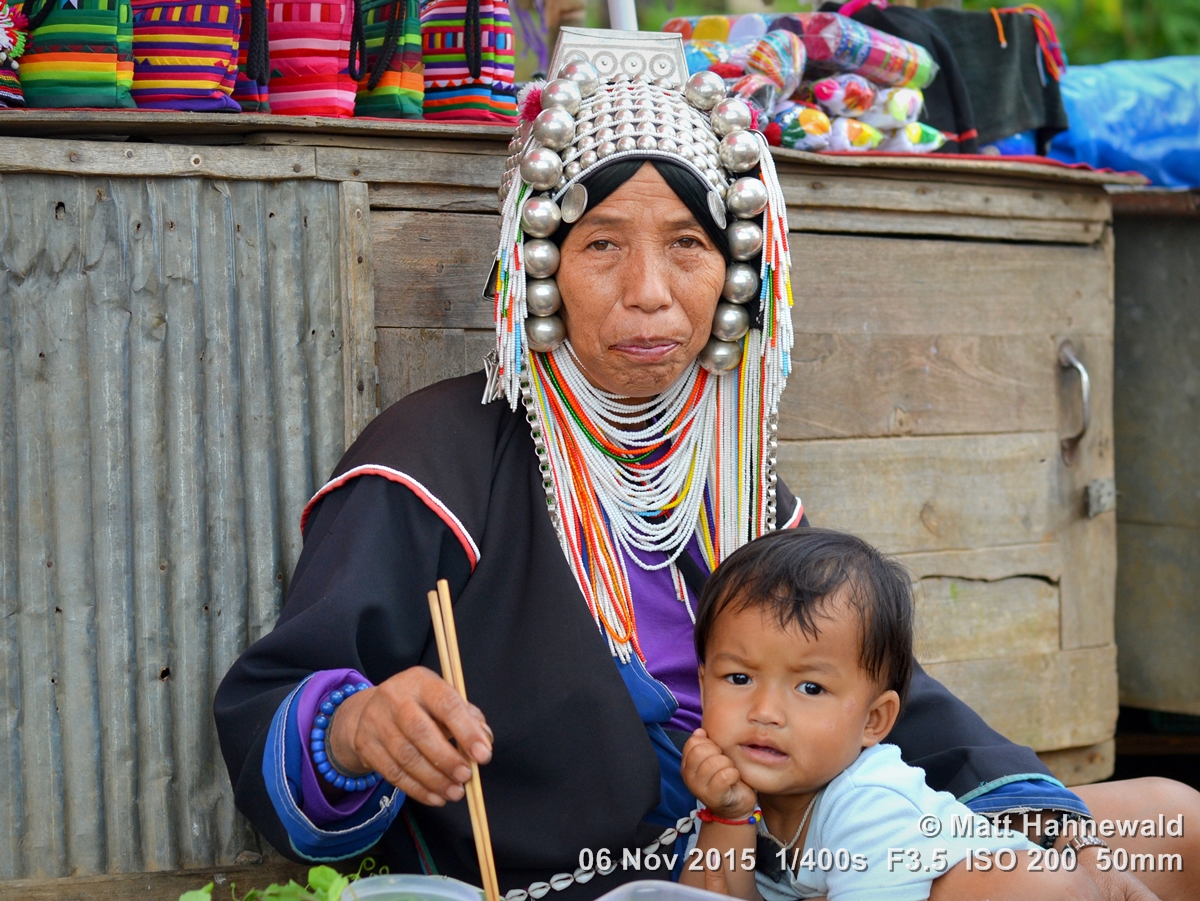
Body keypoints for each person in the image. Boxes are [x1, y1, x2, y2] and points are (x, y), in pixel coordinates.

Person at [214, 30, 1199, 901]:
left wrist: (1041, 820)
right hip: (619, 876)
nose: (649, 292)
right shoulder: (431, 466)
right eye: (602, 244)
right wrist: (355, 728)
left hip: (791, 830)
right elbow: (276, 701)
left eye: (687, 244)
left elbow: (870, 690)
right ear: (540, 265)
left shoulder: (732, 472)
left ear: (736, 272)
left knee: (1174, 823)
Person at [679, 527, 1087, 901]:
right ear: (702, 685)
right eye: (738, 678)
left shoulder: (870, 803)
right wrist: (727, 818)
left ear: (874, 720)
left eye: (811, 688)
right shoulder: (735, 789)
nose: (765, 712)